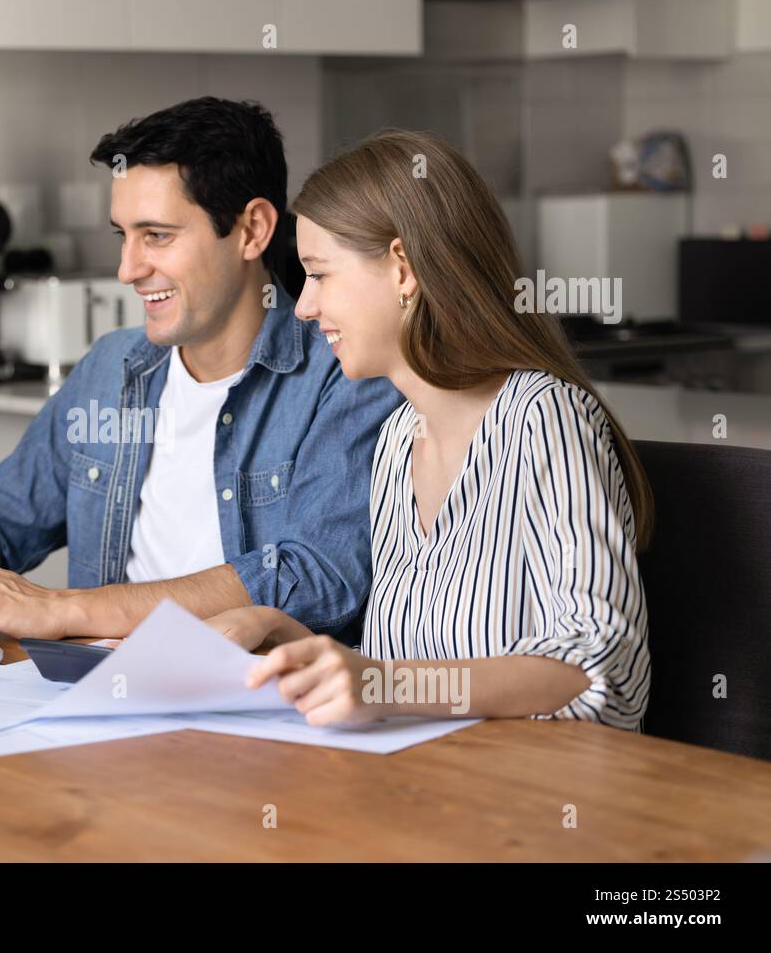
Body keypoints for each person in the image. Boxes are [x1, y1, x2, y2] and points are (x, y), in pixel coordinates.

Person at [0, 98, 402, 641]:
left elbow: (317, 574)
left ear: (253, 229)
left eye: (158, 236)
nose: (128, 269)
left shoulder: (345, 372)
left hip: (262, 717)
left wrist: (65, 610)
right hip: (98, 696)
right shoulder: (112, 369)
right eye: (124, 236)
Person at [207, 129, 652, 730]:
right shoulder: (396, 443)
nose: (304, 307)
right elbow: (415, 676)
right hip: (418, 792)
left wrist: (383, 682)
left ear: (401, 271)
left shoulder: (545, 419)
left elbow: (604, 671)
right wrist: (290, 639)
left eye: (319, 274)